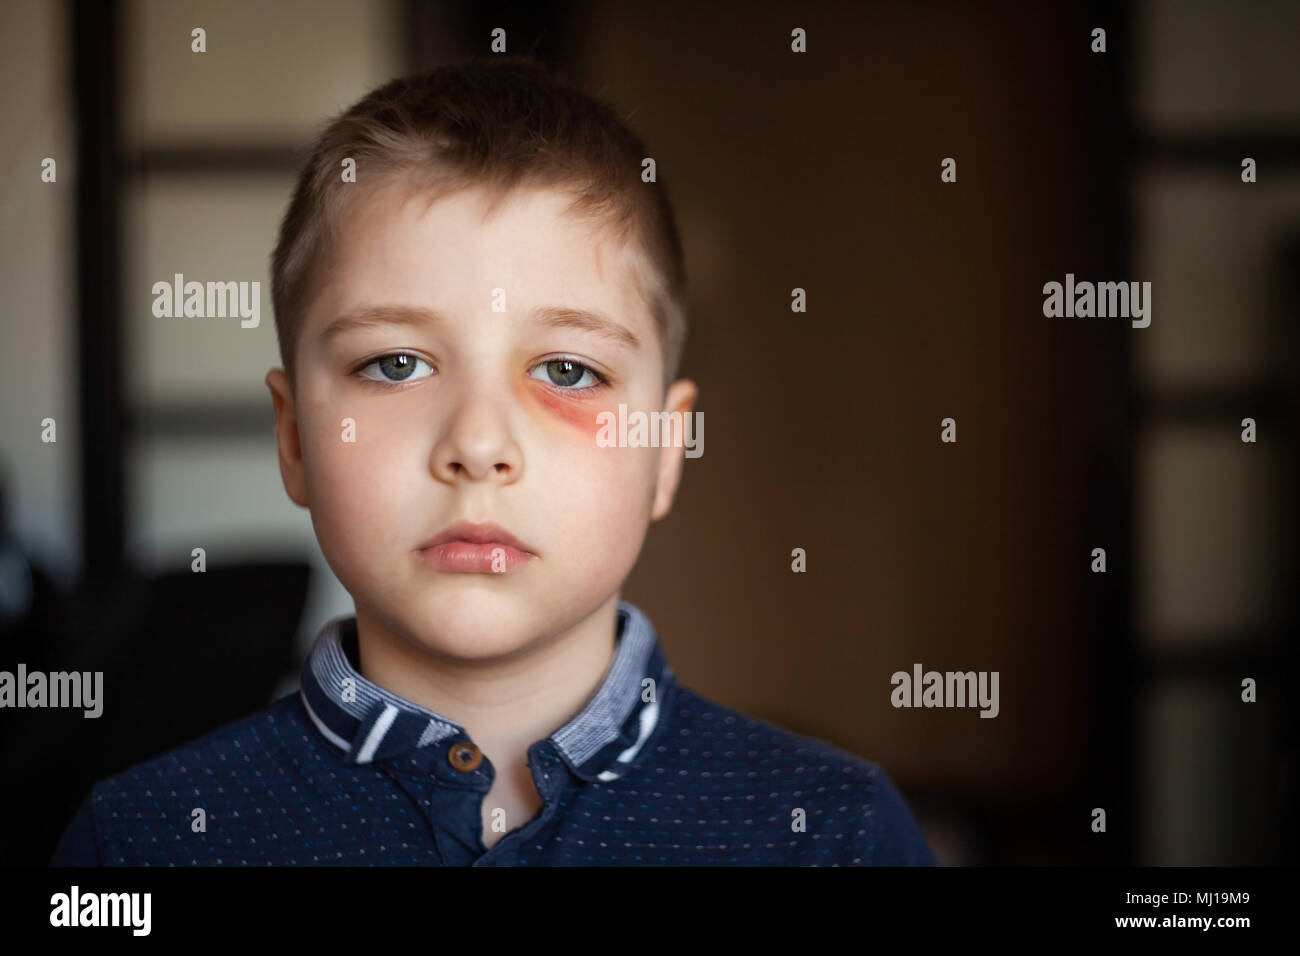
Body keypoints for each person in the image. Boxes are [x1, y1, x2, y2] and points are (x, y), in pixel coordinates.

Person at [50, 56, 934, 866]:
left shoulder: (834, 832)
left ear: (665, 449)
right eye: (395, 364)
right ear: (294, 440)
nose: (477, 445)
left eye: (567, 371)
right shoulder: (143, 839)